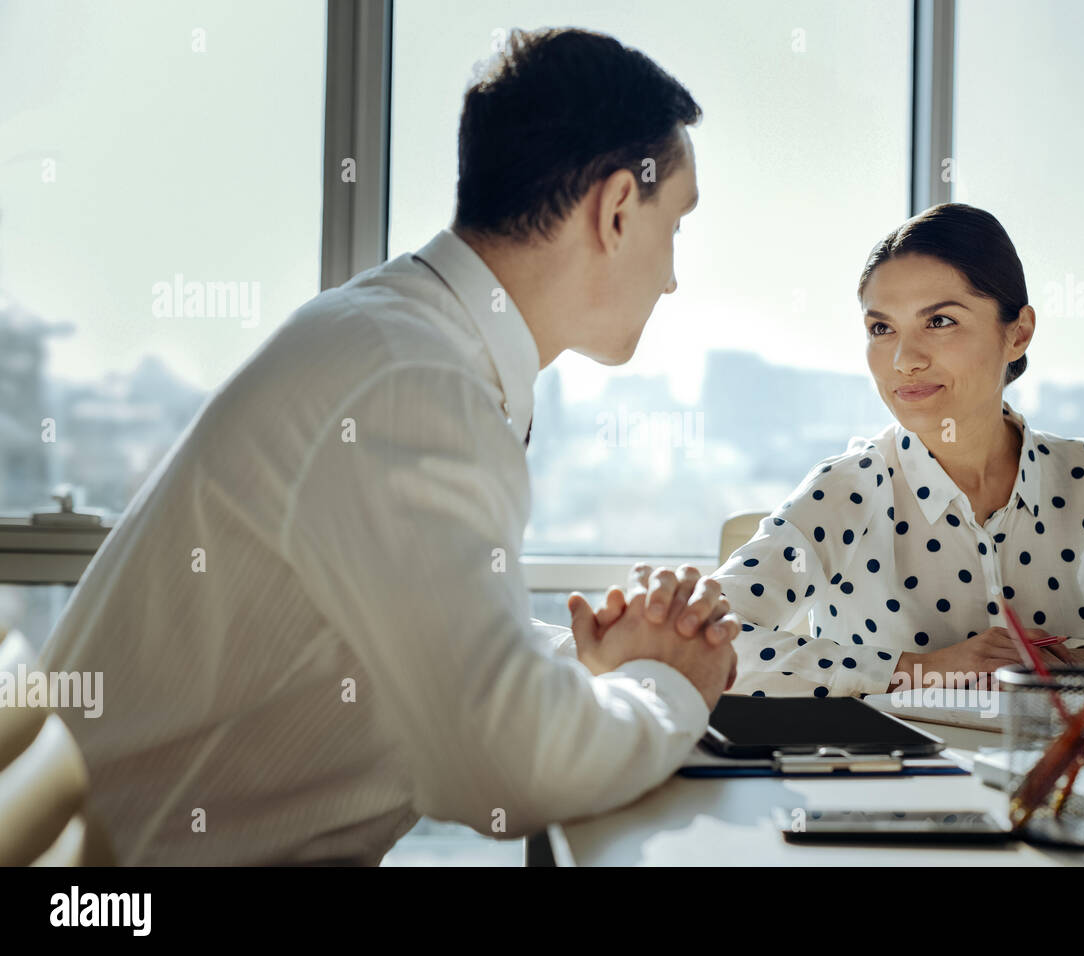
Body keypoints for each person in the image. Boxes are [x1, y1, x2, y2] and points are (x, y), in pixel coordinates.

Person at [40, 27, 737, 865]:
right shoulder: (413, 380)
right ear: (618, 209)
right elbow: (497, 767)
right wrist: (666, 689)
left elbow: (408, 626)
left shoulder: (400, 339)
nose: (671, 277)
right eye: (677, 227)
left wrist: (589, 657)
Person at [714, 203, 1084, 698]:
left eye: (939, 321)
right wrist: (916, 670)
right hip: (899, 794)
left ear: (1018, 333)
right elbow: (708, 640)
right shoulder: (847, 489)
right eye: (881, 328)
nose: (904, 360)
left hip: (1071, 795)